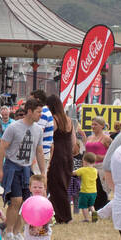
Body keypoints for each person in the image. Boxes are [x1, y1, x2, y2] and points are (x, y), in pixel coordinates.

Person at [0, 103, 47, 240]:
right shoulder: (13, 127)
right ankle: (9, 232)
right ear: (29, 111)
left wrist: (43, 172)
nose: (40, 114)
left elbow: (39, 151)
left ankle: (18, 232)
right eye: (38, 111)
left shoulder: (38, 130)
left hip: (27, 168)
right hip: (12, 166)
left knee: (26, 202)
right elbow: (2, 148)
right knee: (16, 200)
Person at [44, 94, 77, 225]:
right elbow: (74, 141)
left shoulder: (53, 119)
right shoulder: (68, 120)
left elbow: (49, 138)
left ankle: (64, 216)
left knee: (56, 187)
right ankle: (61, 215)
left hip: (56, 155)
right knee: (63, 185)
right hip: (67, 156)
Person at [73, 151, 100, 222]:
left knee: (84, 206)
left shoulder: (83, 170)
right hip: (94, 192)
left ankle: (86, 219)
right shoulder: (95, 170)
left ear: (84, 162)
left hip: (84, 192)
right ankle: (95, 218)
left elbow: (74, 173)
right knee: (91, 206)